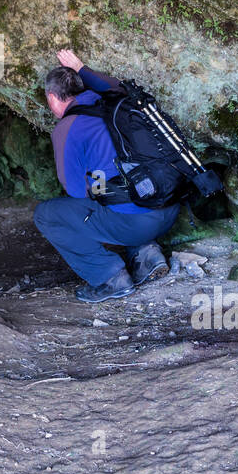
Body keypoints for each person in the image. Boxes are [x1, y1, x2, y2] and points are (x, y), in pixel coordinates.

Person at [34, 49, 180, 303]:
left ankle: (109, 277)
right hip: (170, 206)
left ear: (51, 97)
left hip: (136, 224)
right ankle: (148, 256)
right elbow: (117, 85)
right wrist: (81, 68)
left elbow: (76, 191)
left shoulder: (67, 128)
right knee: (119, 186)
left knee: (48, 214)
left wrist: (96, 181)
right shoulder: (116, 102)